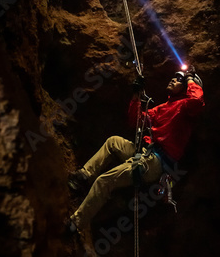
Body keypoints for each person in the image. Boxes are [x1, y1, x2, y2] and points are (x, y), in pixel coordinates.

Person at [68, 66, 204, 239]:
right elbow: (137, 121)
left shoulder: (186, 108)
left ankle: (75, 224)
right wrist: (136, 96)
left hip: (154, 162)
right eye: (175, 78)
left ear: (187, 88)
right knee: (113, 142)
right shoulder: (165, 107)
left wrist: (191, 79)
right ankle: (83, 177)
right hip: (145, 150)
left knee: (105, 181)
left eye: (179, 80)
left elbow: (197, 101)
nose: (173, 80)